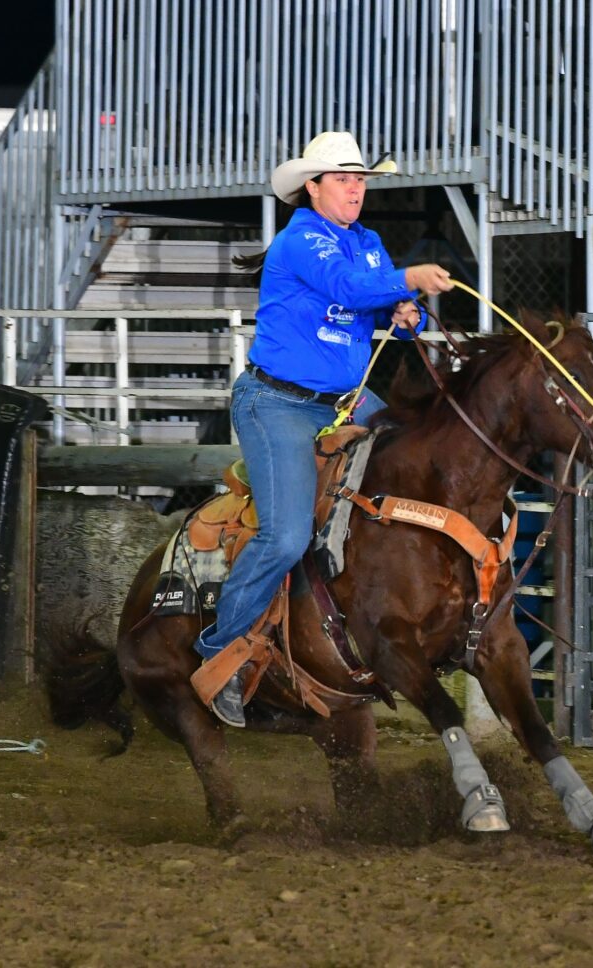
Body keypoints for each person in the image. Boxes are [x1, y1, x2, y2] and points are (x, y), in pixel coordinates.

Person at [196, 131, 454, 728]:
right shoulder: (300, 241)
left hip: (344, 400)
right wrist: (406, 279)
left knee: (416, 466)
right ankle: (222, 653)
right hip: (278, 403)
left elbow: (373, 303)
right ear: (312, 188)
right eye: (343, 179)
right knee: (285, 537)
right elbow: (346, 289)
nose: (355, 188)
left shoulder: (366, 244)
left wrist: (402, 311)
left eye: (360, 179)